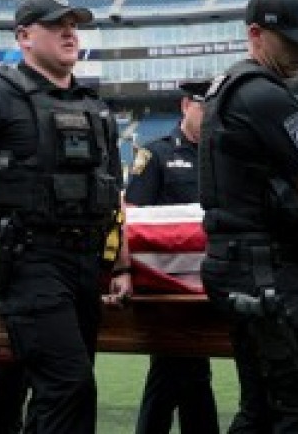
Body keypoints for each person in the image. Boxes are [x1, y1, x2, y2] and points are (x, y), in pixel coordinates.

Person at [0, 0, 130, 433]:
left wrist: (122, 264)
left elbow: (113, 195)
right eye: (57, 24)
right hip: (29, 263)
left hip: (85, 266)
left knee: (74, 393)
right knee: (66, 384)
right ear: (24, 36)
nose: (70, 32)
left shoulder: (95, 108)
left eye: (74, 24)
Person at [198, 0, 298, 433]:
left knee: (259, 406)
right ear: (256, 33)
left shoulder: (225, 89)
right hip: (266, 271)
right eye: (291, 40)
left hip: (234, 264)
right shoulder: (267, 96)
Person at [128, 80, 220, 434]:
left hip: (206, 279)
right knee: (179, 367)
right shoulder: (156, 155)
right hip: (165, 281)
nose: (210, 114)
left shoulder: (219, 156)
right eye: (203, 106)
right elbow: (132, 214)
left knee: (185, 369)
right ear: (185, 105)